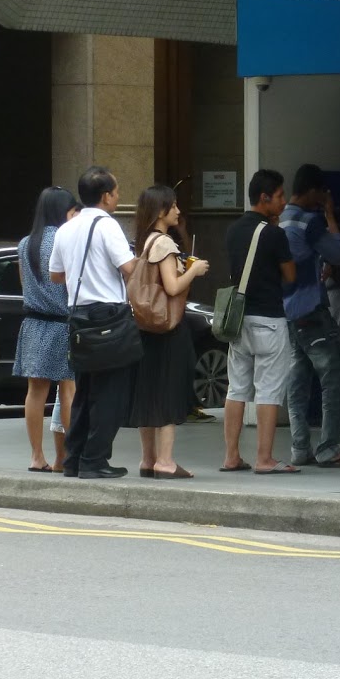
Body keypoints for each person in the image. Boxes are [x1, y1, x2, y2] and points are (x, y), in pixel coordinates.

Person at [48, 166, 139, 479]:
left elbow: (55, 275)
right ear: (105, 196)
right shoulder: (107, 226)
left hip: (79, 317)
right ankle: (95, 460)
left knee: (85, 391)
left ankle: (74, 460)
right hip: (108, 316)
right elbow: (128, 268)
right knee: (111, 393)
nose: (118, 196)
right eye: (116, 191)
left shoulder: (66, 228)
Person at [279, 165, 340, 469]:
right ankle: (329, 447)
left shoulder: (282, 217)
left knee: (298, 378)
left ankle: (300, 446)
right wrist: (330, 216)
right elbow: (339, 254)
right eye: (322, 193)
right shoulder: (309, 221)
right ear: (313, 191)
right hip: (310, 308)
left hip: (287, 309)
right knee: (333, 376)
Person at [126, 185, 209, 479]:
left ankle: (148, 459)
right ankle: (166, 461)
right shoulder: (163, 244)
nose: (177, 211)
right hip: (168, 328)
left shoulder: (145, 241)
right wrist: (194, 271)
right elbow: (172, 287)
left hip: (146, 328)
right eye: (173, 206)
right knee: (169, 390)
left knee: (148, 391)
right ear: (161, 211)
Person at [220, 169, 300, 475]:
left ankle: (231, 456)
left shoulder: (233, 230)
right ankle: (265, 458)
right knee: (268, 390)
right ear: (264, 197)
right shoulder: (274, 234)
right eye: (279, 196)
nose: (283, 201)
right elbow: (290, 276)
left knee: (236, 389)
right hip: (269, 319)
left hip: (238, 321)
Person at [14, 186, 80, 473]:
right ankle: (69, 456)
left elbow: (24, 285)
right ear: (62, 211)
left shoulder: (25, 243)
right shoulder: (63, 240)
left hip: (33, 323)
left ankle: (36, 456)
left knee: (35, 392)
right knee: (67, 389)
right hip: (61, 323)